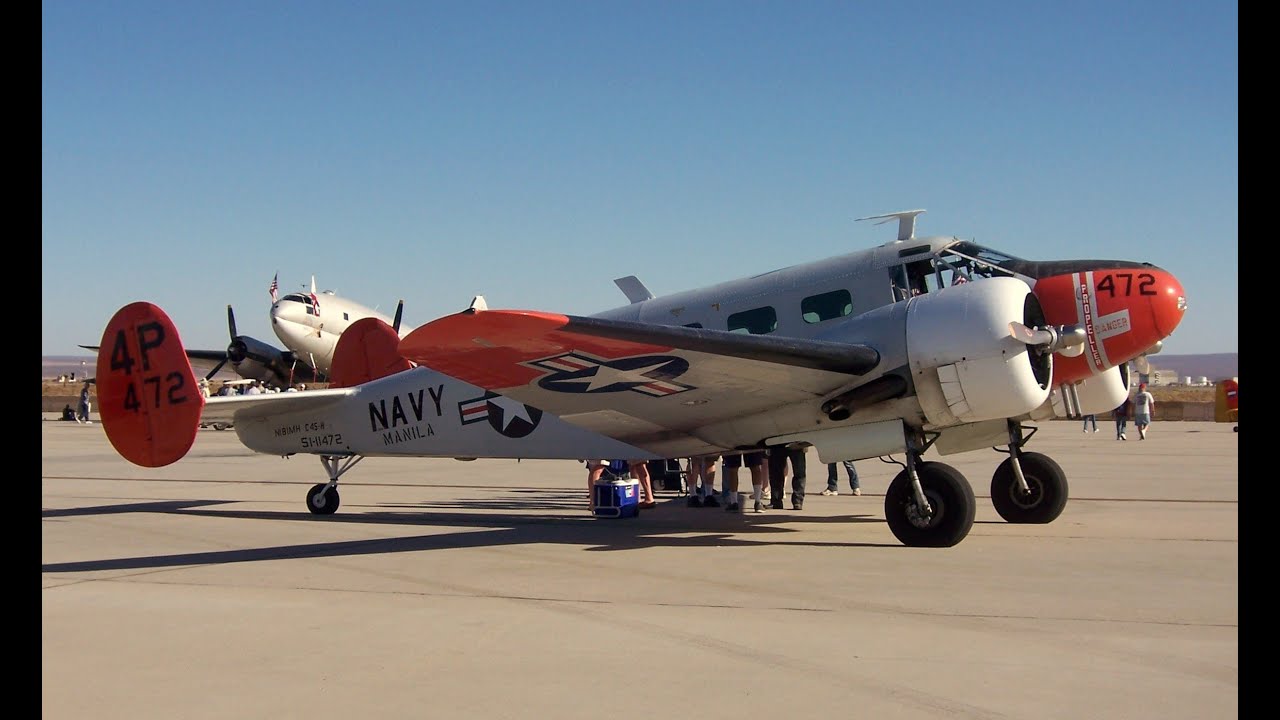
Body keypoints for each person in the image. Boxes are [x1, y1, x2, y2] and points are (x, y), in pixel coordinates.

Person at [767, 444, 807, 510]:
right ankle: (777, 501)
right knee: (776, 473)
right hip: (779, 442)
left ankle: (797, 501)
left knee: (799, 472)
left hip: (796, 442)